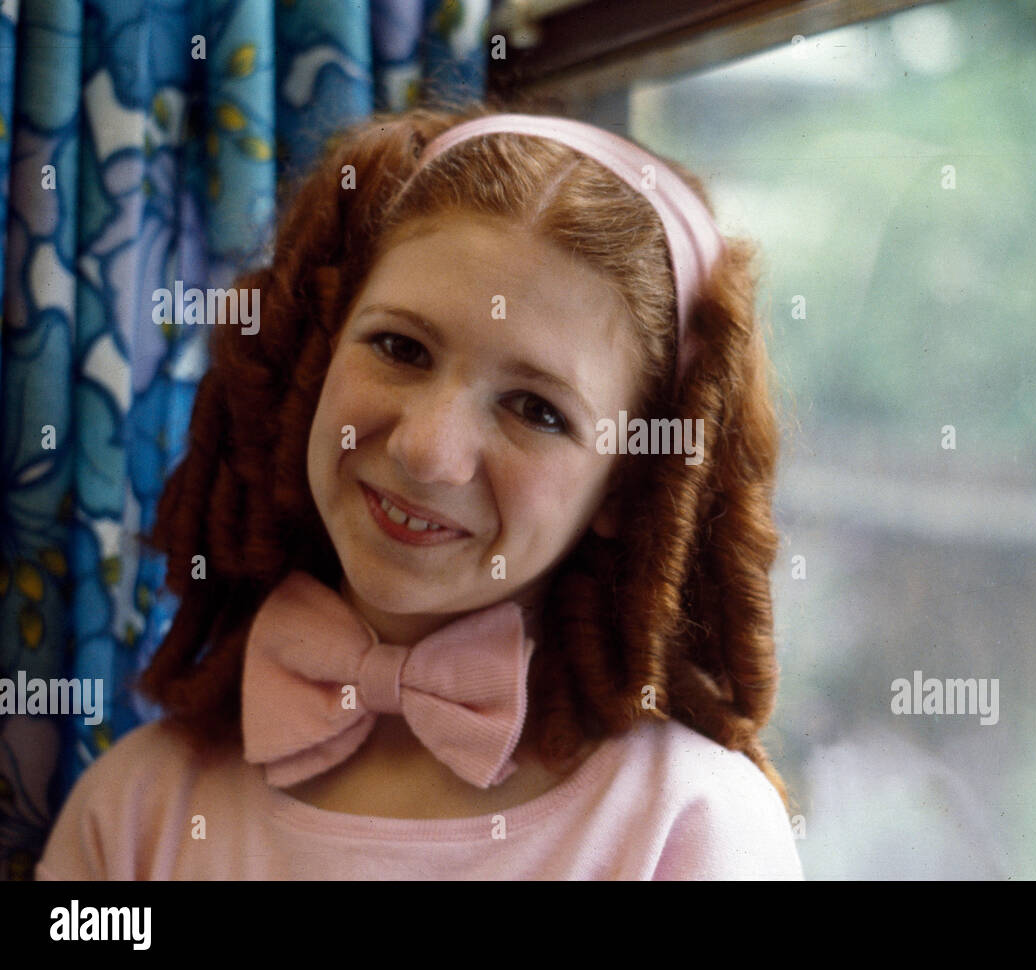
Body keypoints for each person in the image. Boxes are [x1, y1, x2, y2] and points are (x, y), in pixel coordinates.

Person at [35, 102, 802, 880]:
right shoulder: (133, 812)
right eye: (400, 347)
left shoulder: (691, 824)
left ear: (629, 486)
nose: (427, 451)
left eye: (537, 410)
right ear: (320, 357)